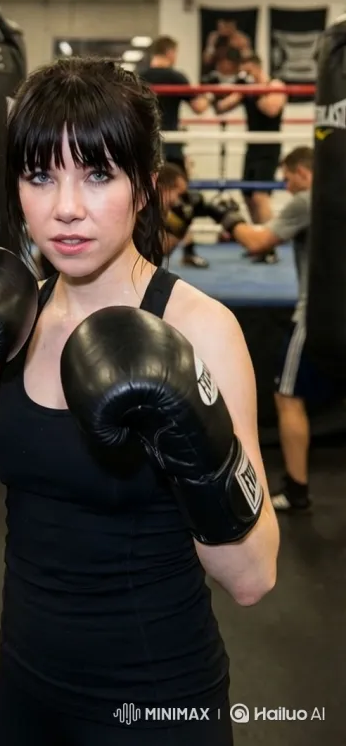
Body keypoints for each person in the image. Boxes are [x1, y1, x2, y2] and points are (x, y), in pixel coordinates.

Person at [0, 57, 280, 746]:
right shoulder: (9, 315)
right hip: (25, 684)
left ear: (144, 187)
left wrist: (198, 449)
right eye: (41, 175)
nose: (66, 208)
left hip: (158, 699)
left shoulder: (198, 328)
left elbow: (254, 575)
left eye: (98, 173)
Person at [210, 145, 336, 513]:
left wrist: (228, 217)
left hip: (315, 314)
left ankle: (296, 489)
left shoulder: (307, 201)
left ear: (303, 173)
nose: (285, 185)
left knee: (286, 395)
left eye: (288, 177)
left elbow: (258, 242)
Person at [139, 36, 210, 267]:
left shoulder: (140, 78)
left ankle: (144, 250)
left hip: (147, 149)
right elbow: (200, 107)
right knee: (182, 201)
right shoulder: (176, 76)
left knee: (148, 200)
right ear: (170, 53)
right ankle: (188, 250)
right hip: (173, 148)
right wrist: (209, 92)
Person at [215, 53, 287, 264]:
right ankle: (260, 243)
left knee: (260, 196)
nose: (245, 75)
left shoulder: (275, 84)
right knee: (247, 195)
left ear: (257, 68)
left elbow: (271, 109)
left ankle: (270, 246)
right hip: (252, 147)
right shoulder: (246, 87)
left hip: (269, 147)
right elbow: (222, 107)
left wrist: (252, 88)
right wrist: (233, 90)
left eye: (248, 71)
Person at [157, 161, 244, 267]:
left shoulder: (163, 214)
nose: (177, 201)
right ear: (161, 188)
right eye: (179, 194)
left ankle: (189, 253)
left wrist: (180, 225)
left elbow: (160, 254)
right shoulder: (140, 213)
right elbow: (150, 256)